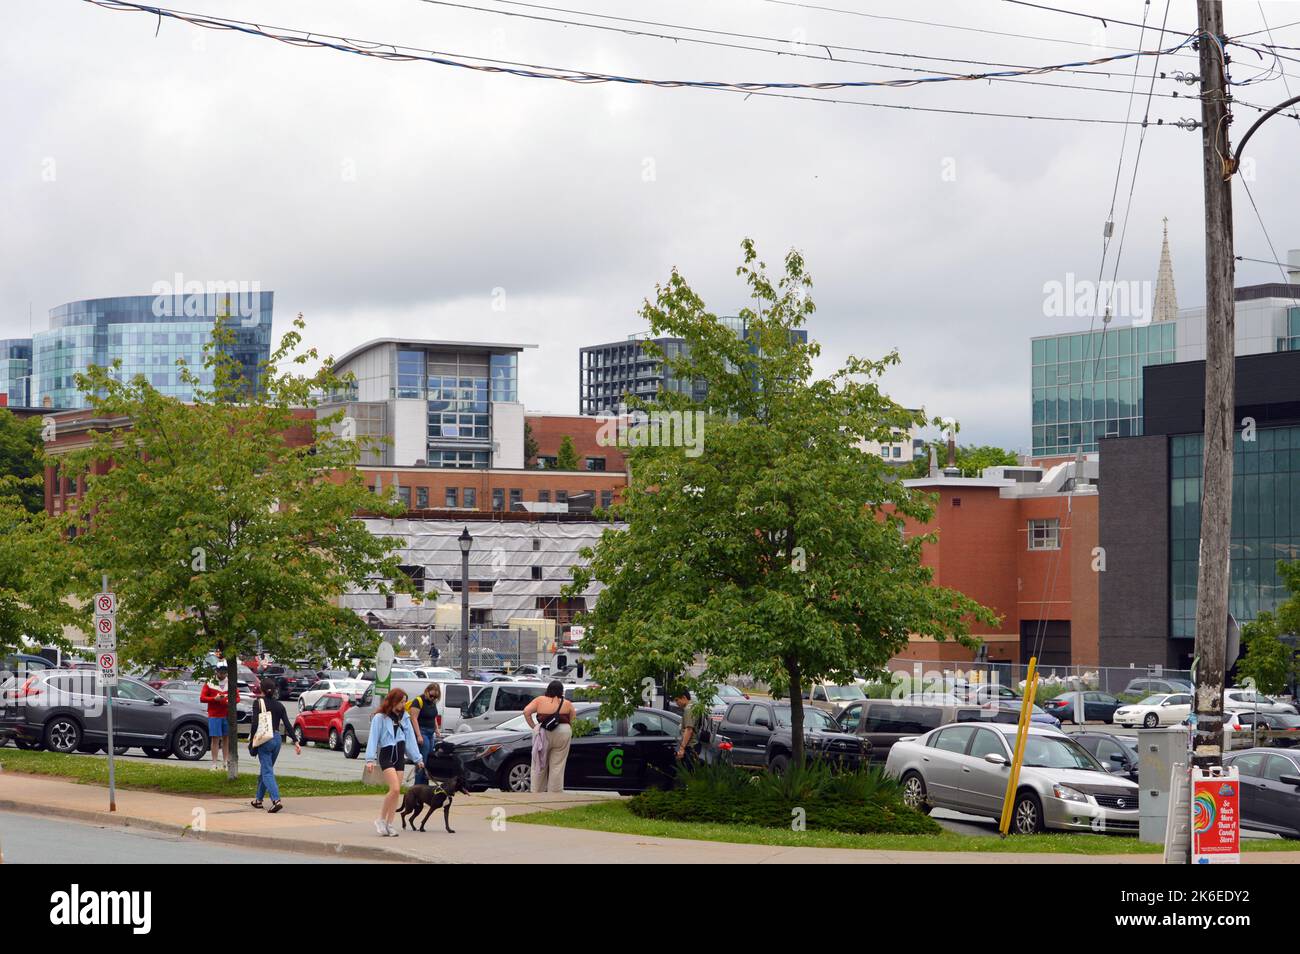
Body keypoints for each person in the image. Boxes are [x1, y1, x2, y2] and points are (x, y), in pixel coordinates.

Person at [364, 688, 426, 837]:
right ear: (394, 701)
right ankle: (380, 819)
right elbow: (373, 738)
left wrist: (418, 759)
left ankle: (390, 824)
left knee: (396, 793)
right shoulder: (380, 717)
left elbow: (410, 739)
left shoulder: (404, 717)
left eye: (405, 701)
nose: (404, 704)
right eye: (402, 702)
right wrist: (370, 759)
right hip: (386, 755)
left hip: (399, 755)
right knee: (395, 789)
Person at [249, 677, 301, 813]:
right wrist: (296, 741)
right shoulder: (280, 705)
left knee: (267, 771)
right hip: (277, 739)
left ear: (262, 689)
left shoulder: (258, 703)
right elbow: (288, 725)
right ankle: (258, 800)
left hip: (264, 739)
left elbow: (255, 724)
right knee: (266, 770)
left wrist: (252, 741)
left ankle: (276, 800)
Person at [523, 681, 575, 793]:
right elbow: (573, 720)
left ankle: (537, 792)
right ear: (562, 691)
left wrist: (534, 726)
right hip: (563, 731)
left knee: (539, 763)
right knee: (557, 766)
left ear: (548, 689)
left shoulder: (540, 700)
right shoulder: (567, 703)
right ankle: (555, 793)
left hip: (543, 732)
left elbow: (526, 712)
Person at [199, 676, 238, 772]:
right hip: (214, 715)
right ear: (216, 671)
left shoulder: (230, 682)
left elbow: (237, 698)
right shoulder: (210, 682)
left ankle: (225, 762)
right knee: (215, 738)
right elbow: (202, 698)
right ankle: (214, 763)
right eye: (220, 671)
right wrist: (214, 699)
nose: (222, 674)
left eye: (224, 671)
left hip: (227, 715)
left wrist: (230, 701)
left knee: (226, 738)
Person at [407, 684, 442, 785]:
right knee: (422, 760)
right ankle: (418, 785)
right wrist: (418, 735)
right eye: (431, 696)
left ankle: (425, 784)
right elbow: (413, 718)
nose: (433, 698)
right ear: (427, 691)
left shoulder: (432, 703)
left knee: (429, 761)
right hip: (422, 731)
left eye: (435, 697)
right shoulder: (418, 701)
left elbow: (434, 716)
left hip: (431, 733)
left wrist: (437, 729)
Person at [673, 688, 701, 769]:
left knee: (688, 772)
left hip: (690, 746)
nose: (676, 703)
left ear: (684, 698)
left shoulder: (689, 710)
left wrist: (682, 748)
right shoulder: (694, 706)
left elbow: (689, 730)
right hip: (694, 745)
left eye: (677, 700)